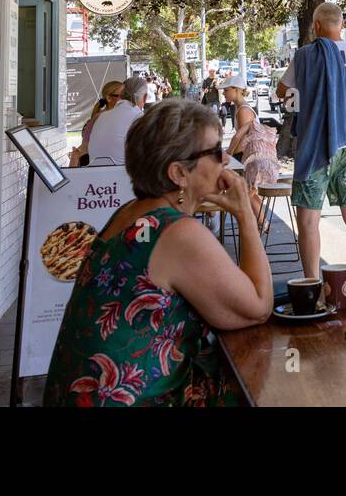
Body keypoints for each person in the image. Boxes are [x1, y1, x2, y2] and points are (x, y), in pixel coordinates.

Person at [44, 100, 272, 406]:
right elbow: (257, 306)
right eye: (216, 152)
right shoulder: (177, 233)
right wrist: (246, 213)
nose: (227, 158)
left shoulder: (131, 214)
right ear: (179, 172)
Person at [277, 2, 346, 279]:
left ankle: (312, 283)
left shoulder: (305, 55)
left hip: (316, 143)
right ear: (342, 25)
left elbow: (283, 90)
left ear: (316, 26)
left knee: (308, 220)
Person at [223, 74, 278, 226]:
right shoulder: (240, 108)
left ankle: (260, 223)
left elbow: (240, 139)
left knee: (245, 193)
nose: (224, 93)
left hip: (247, 157)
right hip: (247, 156)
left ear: (237, 90)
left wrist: (229, 154)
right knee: (249, 193)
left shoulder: (243, 110)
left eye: (226, 90)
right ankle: (261, 223)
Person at [87, 75, 148, 166]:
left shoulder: (101, 116)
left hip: (94, 174)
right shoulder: (139, 117)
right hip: (121, 175)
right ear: (145, 97)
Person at [69, 80, 124, 167]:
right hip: (100, 167)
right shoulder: (99, 118)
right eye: (122, 96)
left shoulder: (121, 116)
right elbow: (85, 146)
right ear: (109, 98)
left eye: (127, 96)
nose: (125, 100)